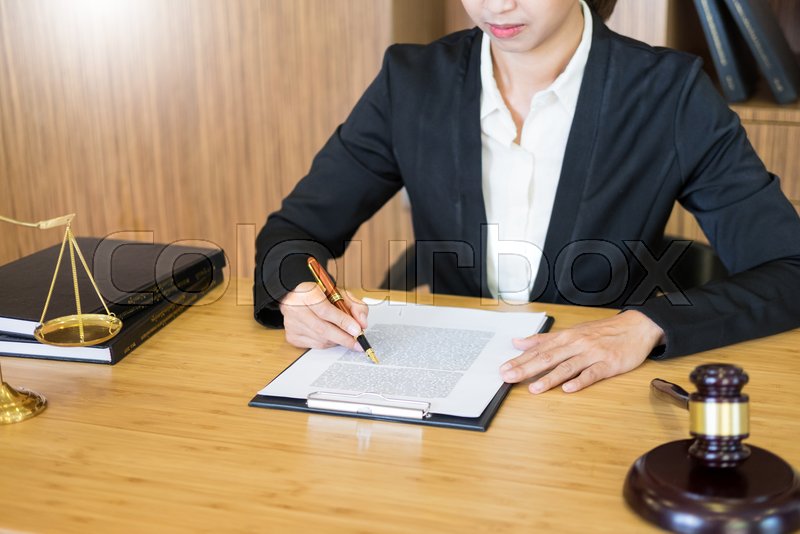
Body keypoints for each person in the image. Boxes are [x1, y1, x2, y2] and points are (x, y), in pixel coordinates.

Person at [254, 0, 800, 394]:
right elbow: (295, 232)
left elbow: (791, 268)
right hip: (449, 386)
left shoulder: (668, 93)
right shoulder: (413, 81)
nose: (497, 4)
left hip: (598, 392)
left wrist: (647, 324)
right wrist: (300, 295)